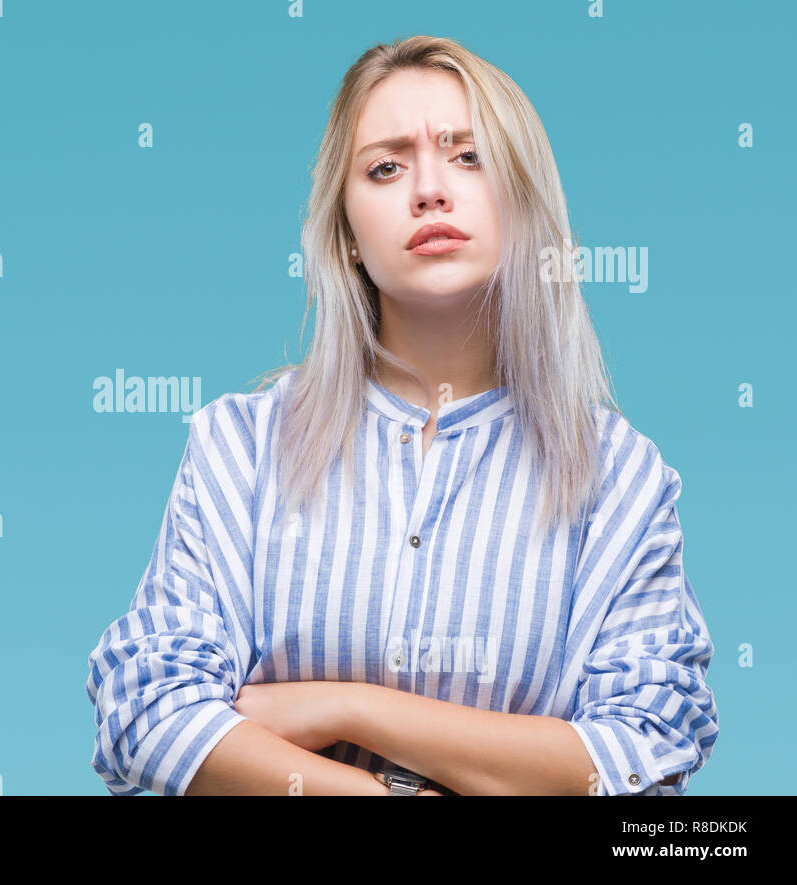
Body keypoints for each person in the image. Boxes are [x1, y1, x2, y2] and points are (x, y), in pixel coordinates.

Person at [84, 35, 718, 796]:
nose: (428, 190)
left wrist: (354, 708)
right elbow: (147, 712)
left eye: (467, 156)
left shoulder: (620, 477)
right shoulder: (239, 445)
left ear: (522, 200)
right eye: (386, 167)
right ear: (347, 234)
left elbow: (641, 753)